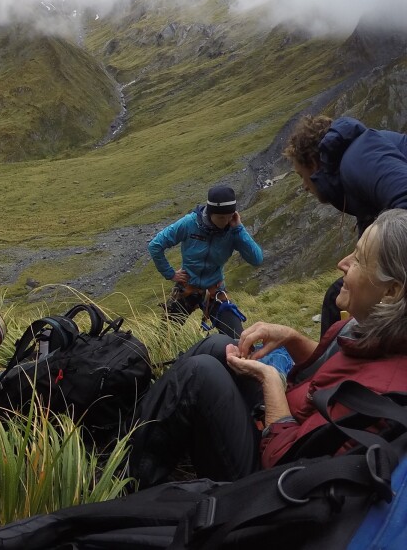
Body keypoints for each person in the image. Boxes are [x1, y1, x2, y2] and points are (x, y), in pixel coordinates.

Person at [128, 208, 407, 489]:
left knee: (201, 374)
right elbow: (329, 368)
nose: (342, 263)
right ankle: (134, 432)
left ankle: (130, 480)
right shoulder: (368, 329)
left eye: (358, 259)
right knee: (220, 345)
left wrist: (270, 380)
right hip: (289, 420)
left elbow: (287, 464)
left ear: (391, 291)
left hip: (270, 482)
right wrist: (292, 338)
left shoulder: (376, 394)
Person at [284, 115, 407, 335]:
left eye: (301, 176)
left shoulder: (358, 158)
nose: (304, 186)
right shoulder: (353, 161)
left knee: (340, 297)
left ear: (313, 163)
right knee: (341, 295)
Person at [148, 185, 264, 338]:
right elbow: (155, 245)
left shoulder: (233, 230)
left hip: (214, 290)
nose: (225, 222)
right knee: (162, 339)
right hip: (186, 288)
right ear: (209, 213)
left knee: (237, 337)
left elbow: (257, 259)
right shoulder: (189, 223)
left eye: (229, 216)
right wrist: (170, 273)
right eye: (221, 217)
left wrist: (239, 229)